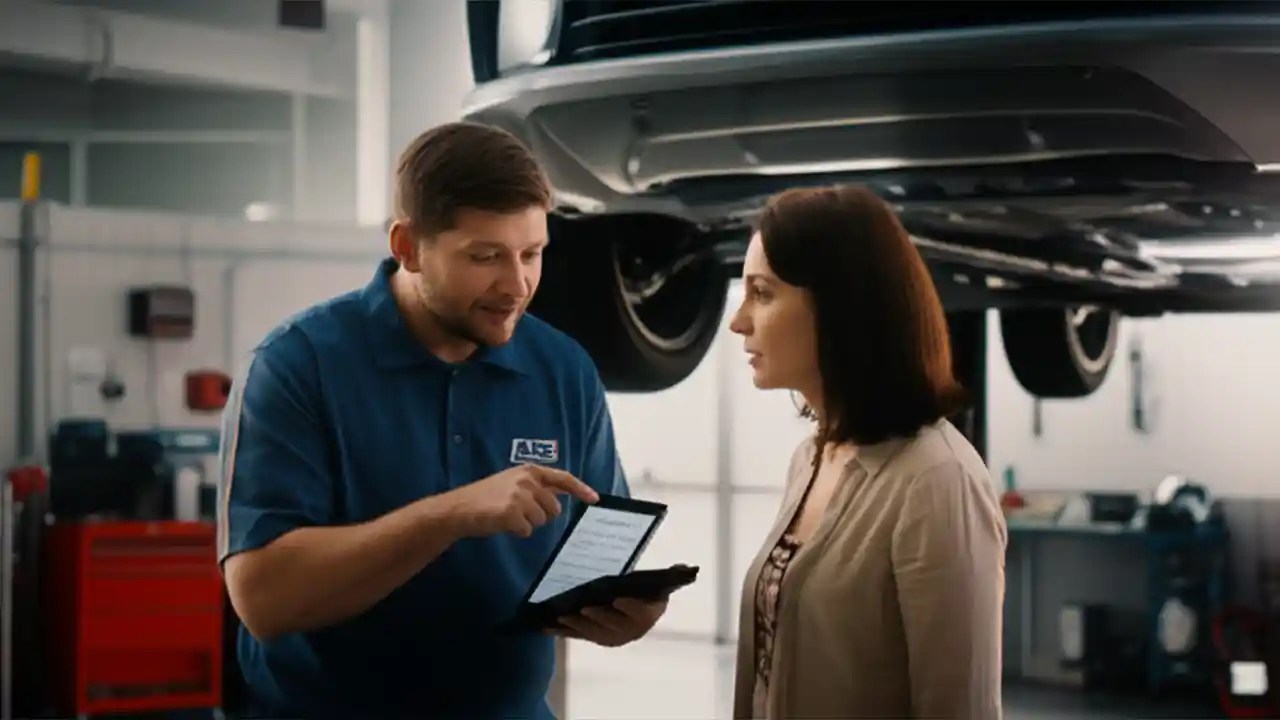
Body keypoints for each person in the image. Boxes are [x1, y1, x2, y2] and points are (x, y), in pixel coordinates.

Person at [216, 122, 668, 720]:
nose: (517, 285)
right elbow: (264, 599)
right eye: (485, 257)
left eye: (532, 253)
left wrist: (622, 612)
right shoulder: (298, 366)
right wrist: (451, 515)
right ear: (407, 246)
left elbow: (602, 551)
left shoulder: (563, 368)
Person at [727, 185, 1008, 719]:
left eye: (762, 294)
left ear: (839, 307)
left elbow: (958, 708)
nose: (738, 321)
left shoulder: (936, 481)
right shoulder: (811, 457)